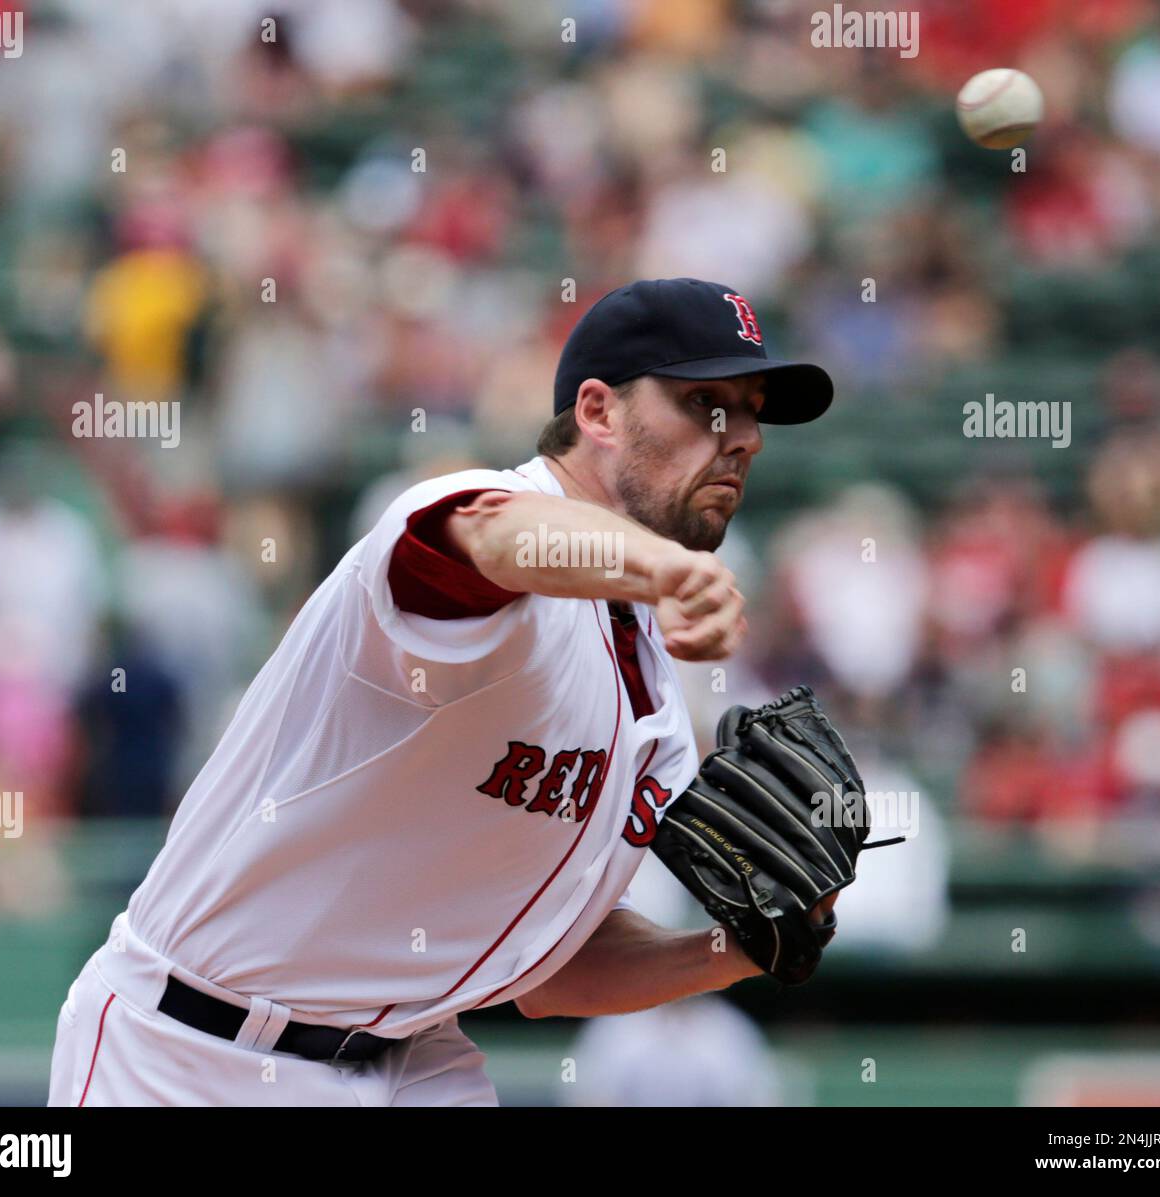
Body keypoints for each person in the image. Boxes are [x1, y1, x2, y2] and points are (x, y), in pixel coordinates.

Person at [47, 277, 837, 1107]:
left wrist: (739, 950)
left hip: (417, 1060)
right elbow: (492, 536)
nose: (742, 435)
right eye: (706, 403)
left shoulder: (655, 697)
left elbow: (553, 964)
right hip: (198, 1052)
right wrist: (665, 567)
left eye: (750, 410)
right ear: (599, 413)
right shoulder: (484, 518)